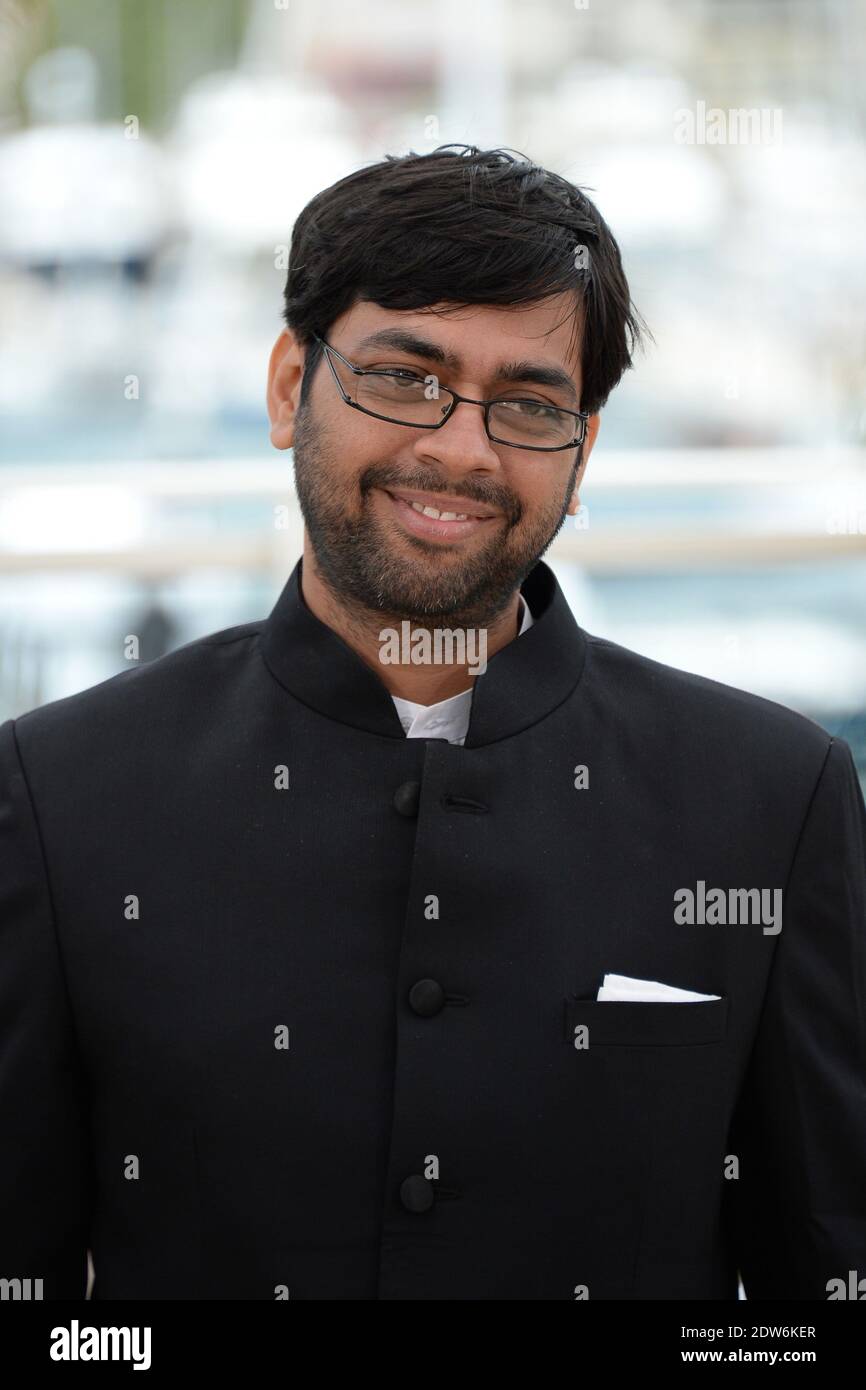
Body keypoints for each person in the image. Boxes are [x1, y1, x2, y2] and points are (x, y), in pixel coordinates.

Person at [1, 145, 864, 1301]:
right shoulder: (59, 794)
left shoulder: (774, 794)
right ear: (284, 386)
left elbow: (825, 1282)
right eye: (403, 377)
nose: (460, 448)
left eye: (526, 402)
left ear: (583, 448)